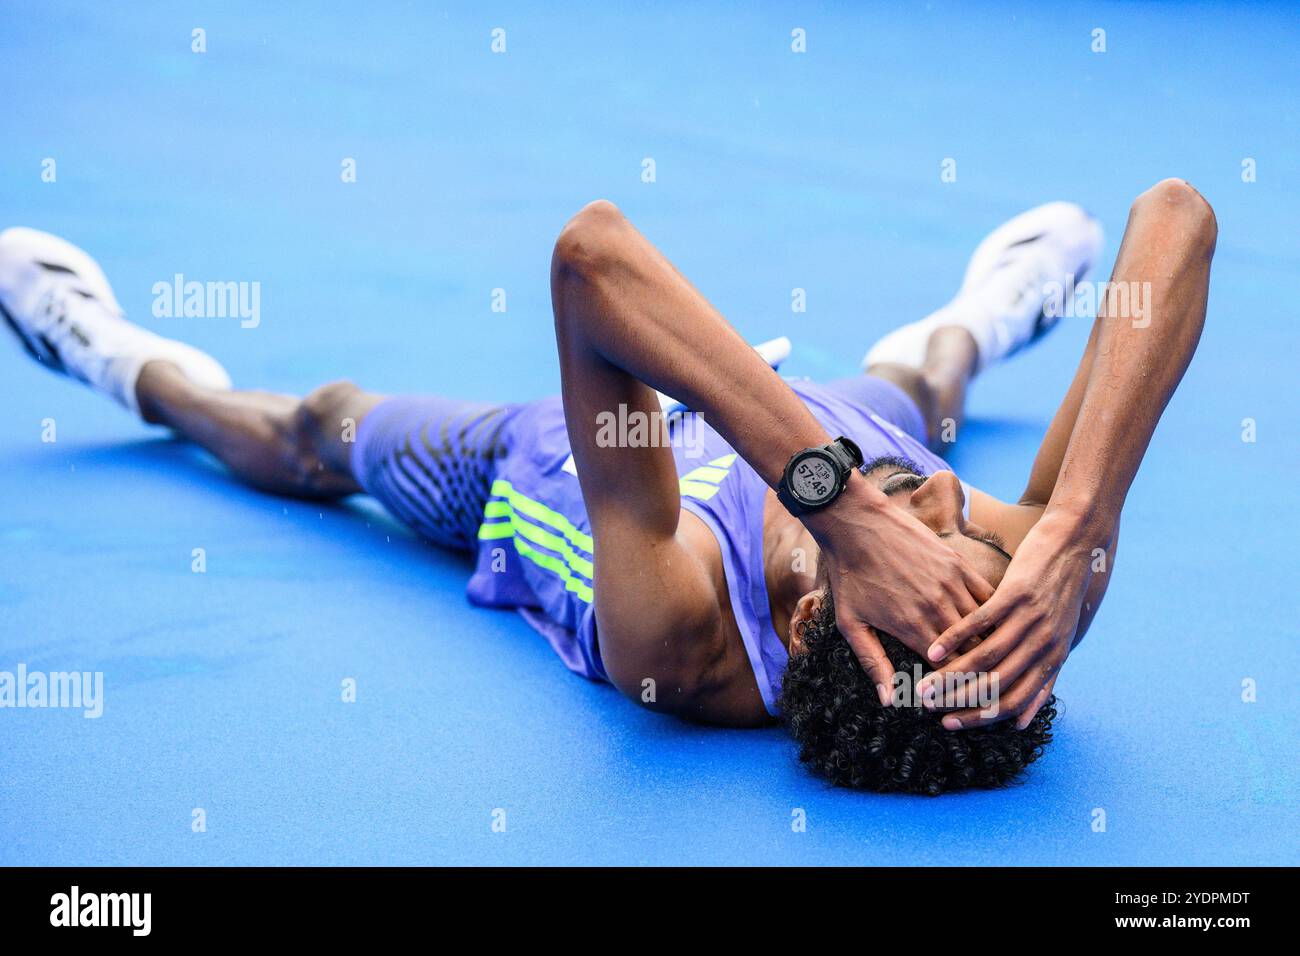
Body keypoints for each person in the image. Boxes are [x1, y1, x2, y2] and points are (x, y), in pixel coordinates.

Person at [0, 178, 1214, 794]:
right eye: (971, 539)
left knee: (314, 432)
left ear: (804, 619)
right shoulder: (1005, 601)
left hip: (568, 450)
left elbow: (592, 263)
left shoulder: (679, 638)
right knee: (922, 391)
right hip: (807, 427)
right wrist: (1081, 526)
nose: (952, 506)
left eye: (912, 540)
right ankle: (980, 317)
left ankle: (115, 356)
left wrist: (835, 501)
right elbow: (1176, 218)